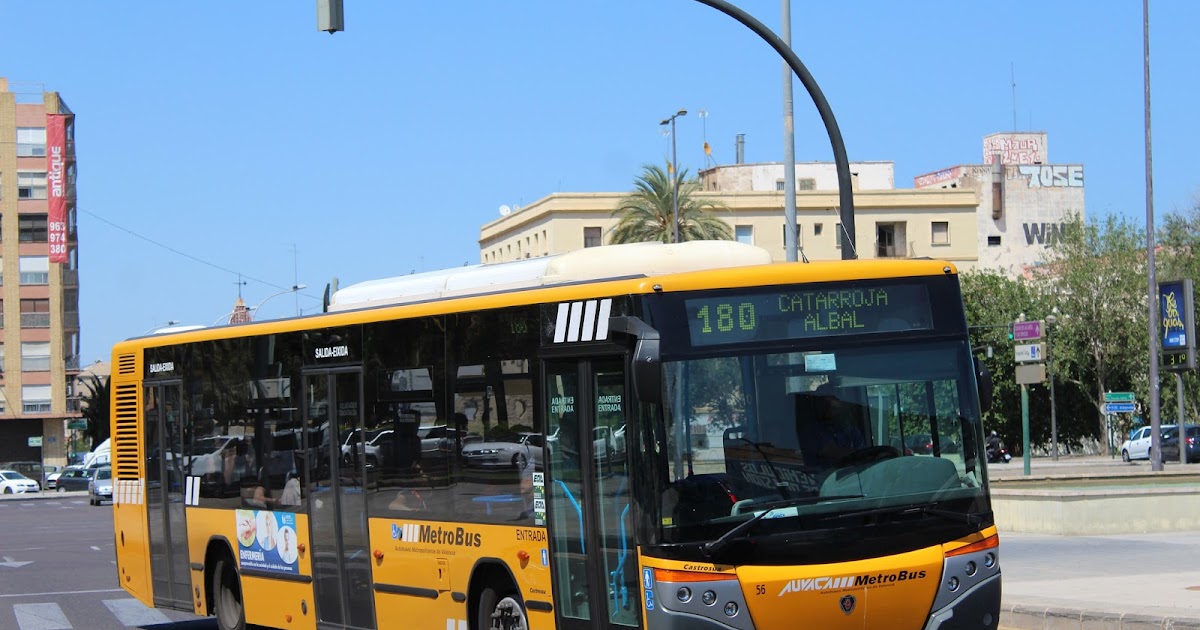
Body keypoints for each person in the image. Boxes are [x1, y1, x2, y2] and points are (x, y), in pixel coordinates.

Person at [797, 386, 868, 467]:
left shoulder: (851, 430)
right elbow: (827, 451)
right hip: (819, 476)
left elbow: (863, 454)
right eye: (825, 404)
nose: (828, 409)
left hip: (850, 476)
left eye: (833, 406)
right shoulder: (810, 431)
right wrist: (855, 454)